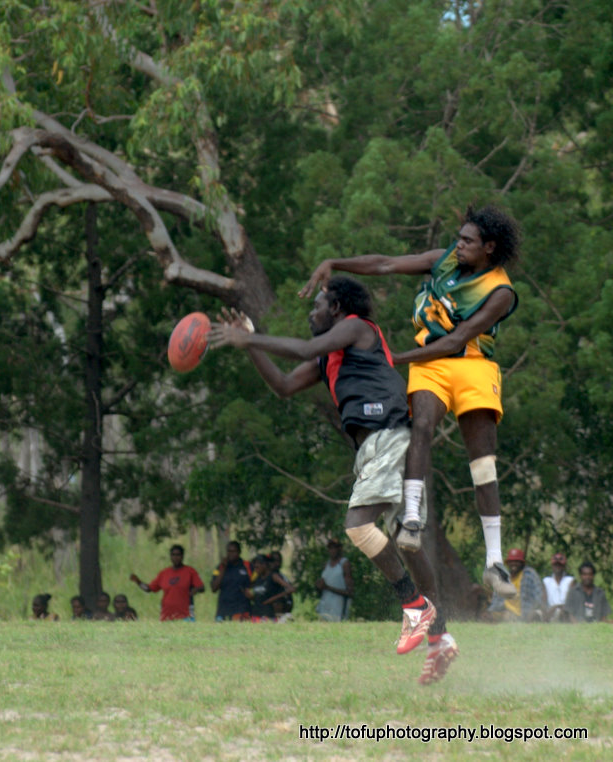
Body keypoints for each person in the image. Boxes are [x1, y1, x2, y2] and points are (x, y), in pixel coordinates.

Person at [209, 277, 458, 683]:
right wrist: (252, 344)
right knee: (407, 544)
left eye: (319, 305)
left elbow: (306, 347)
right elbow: (284, 386)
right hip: (383, 444)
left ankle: (415, 607)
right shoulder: (330, 359)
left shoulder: (359, 327)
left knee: (359, 525)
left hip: (389, 435)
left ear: (338, 308)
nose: (312, 312)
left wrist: (251, 339)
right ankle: (440, 638)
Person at [301, 205, 521, 599]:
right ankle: (413, 521)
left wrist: (394, 357)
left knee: (483, 465)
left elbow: (456, 340)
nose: (459, 244)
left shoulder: (500, 291)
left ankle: (494, 560)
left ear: (489, 247)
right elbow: (385, 264)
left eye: (468, 240)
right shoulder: (443, 261)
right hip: (431, 363)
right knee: (419, 426)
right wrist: (336, 262)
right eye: (459, 236)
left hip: (472, 364)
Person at [130, 544, 205, 621]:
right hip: (167, 615)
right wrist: (138, 582)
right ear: (170, 557)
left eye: (178, 555)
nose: (175, 557)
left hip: (186, 615)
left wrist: (196, 590)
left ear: (182, 556)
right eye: (173, 555)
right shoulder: (164, 573)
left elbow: (201, 587)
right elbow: (149, 589)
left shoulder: (190, 571)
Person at [486, 548, 543, 622]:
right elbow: (496, 599)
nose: (513, 564)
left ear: (522, 563)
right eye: (511, 561)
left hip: (525, 611)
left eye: (517, 561)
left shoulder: (530, 575)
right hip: (505, 612)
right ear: (508, 563)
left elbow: (539, 596)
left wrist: (533, 609)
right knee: (490, 615)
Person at [210, 541, 252, 621]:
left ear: (239, 552)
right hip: (224, 609)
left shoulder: (247, 566)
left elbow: (254, 583)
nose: (231, 554)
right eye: (229, 551)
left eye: (234, 551)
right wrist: (224, 568)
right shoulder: (220, 567)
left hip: (241, 609)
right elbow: (214, 588)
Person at [247, 554, 295, 622]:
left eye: (257, 567)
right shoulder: (257, 578)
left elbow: (291, 589)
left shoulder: (273, 576)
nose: (255, 569)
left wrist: (273, 599)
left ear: (264, 565)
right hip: (256, 614)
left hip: (269, 614)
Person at [316, 539, 354, 622]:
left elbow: (349, 592)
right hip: (325, 606)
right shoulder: (327, 565)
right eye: (330, 548)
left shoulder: (344, 564)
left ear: (339, 549)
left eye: (334, 548)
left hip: (339, 608)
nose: (332, 551)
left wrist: (328, 587)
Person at [542, 552, 574, 623]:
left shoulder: (570, 580)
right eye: (555, 565)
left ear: (564, 566)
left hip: (565, 612)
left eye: (560, 565)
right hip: (550, 612)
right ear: (552, 566)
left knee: (560, 612)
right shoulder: (546, 581)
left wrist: (556, 607)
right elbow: (543, 601)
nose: (557, 567)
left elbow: (571, 602)